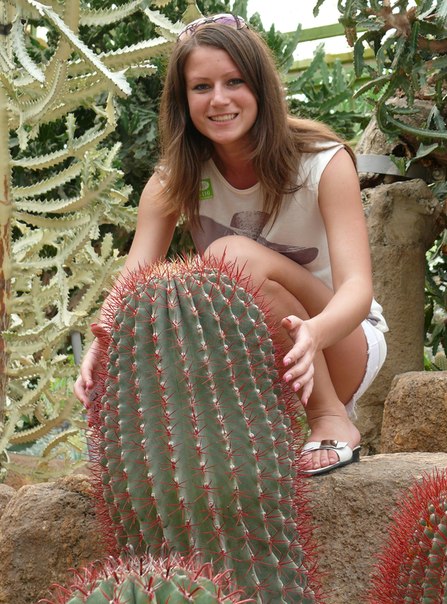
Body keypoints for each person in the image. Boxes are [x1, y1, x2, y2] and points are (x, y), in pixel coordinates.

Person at [74, 13, 388, 476]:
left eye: (234, 81)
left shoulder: (322, 162)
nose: (219, 99)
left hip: (339, 342)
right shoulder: (173, 179)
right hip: (249, 355)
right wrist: (102, 345)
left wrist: (314, 333)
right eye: (201, 87)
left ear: (260, 86)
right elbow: (131, 284)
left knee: (228, 256)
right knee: (163, 302)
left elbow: (358, 290)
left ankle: (329, 416)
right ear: (183, 99)